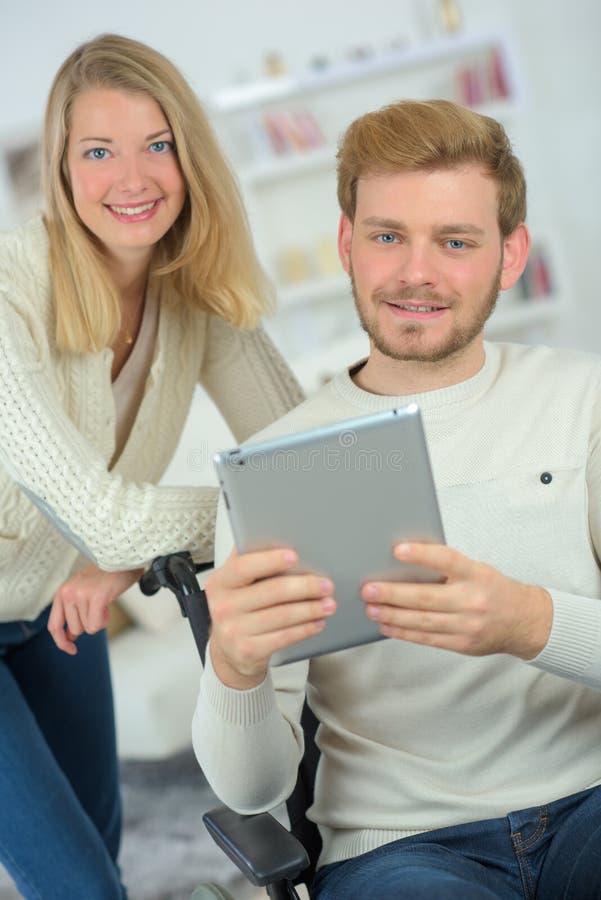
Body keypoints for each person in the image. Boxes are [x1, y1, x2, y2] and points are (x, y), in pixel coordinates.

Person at [192, 99, 601, 899]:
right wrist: (233, 665)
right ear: (347, 244)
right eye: (387, 236)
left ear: (509, 254)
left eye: (454, 241)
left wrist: (528, 621)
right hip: (402, 849)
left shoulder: (582, 400)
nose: (417, 272)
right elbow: (250, 794)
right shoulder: (274, 465)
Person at [0, 33, 304, 900]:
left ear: (190, 158)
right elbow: (107, 518)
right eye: (98, 151)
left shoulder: (193, 286)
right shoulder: (9, 289)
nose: (132, 178)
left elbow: (301, 458)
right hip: (52, 587)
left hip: (56, 612)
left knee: (101, 864)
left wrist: (123, 550)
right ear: (62, 170)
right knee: (78, 886)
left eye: (157, 145)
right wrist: (129, 546)